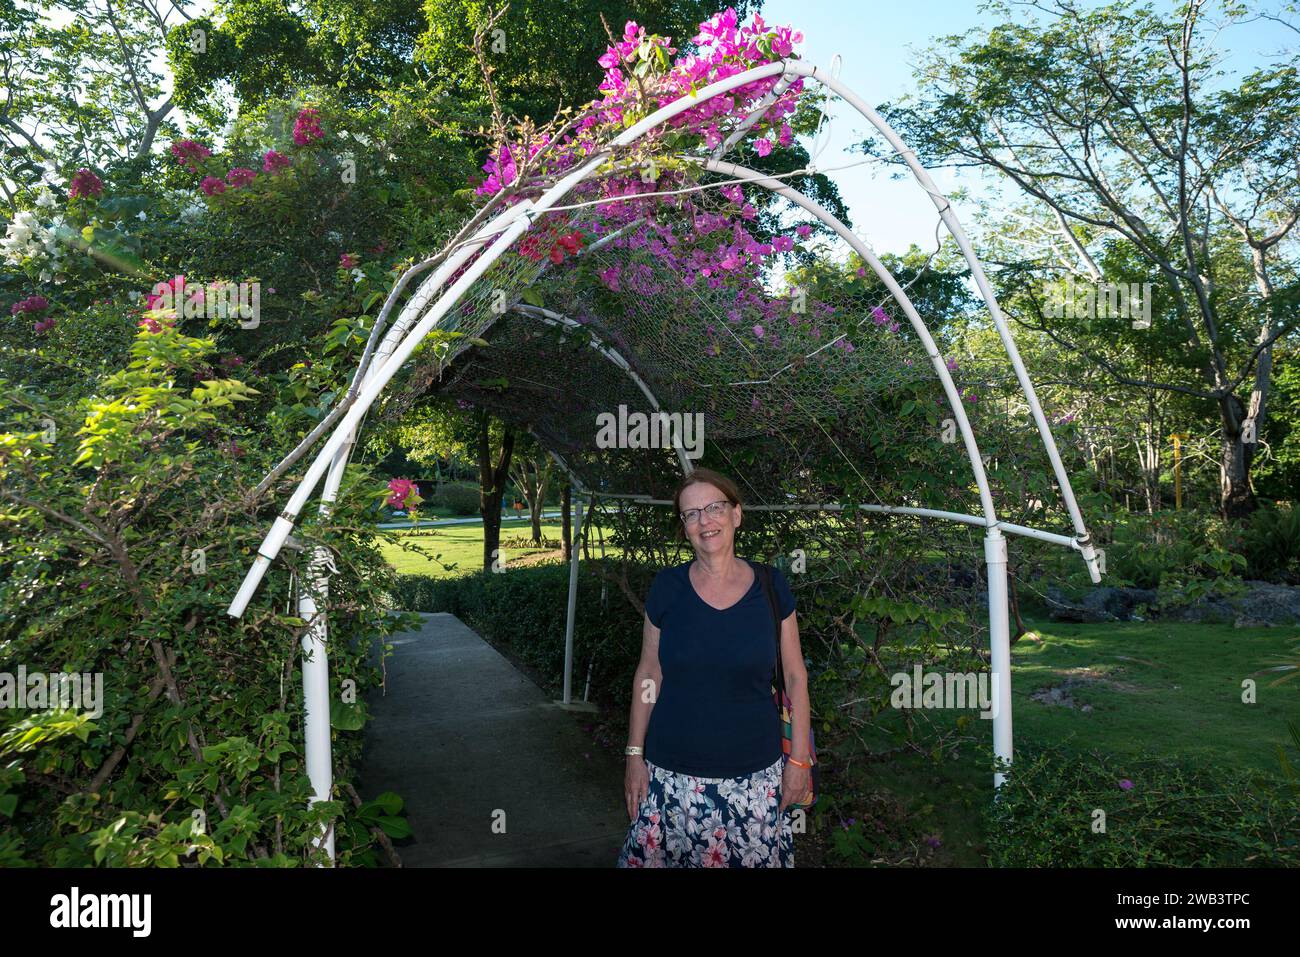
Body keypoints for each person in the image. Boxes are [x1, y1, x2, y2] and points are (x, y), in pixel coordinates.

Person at [616, 467, 811, 867]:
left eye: (715, 507)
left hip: (754, 782)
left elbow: (795, 677)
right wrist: (634, 755)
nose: (705, 521)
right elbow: (649, 673)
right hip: (670, 781)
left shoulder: (772, 586)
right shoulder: (667, 588)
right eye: (691, 514)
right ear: (684, 527)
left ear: (736, 514)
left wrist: (799, 762)